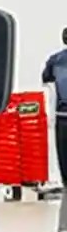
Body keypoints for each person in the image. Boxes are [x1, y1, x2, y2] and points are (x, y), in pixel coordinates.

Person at [42, 29, 67, 200]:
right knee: (64, 164)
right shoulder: (55, 61)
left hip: (62, 117)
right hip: (62, 116)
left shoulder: (55, 61)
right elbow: (47, 81)